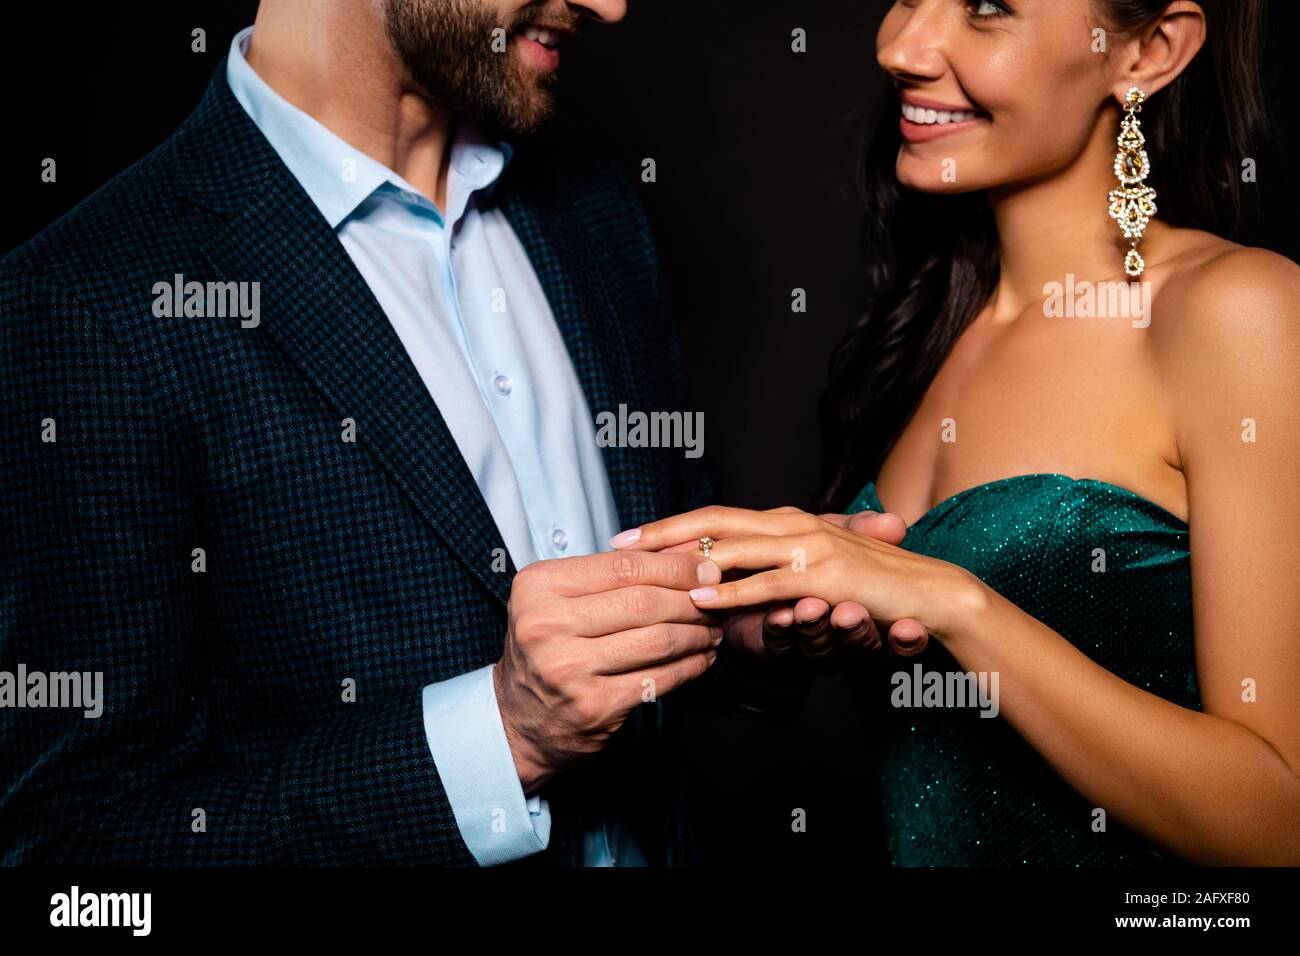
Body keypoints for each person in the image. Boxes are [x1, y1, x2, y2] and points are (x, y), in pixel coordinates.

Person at [0, 0, 907, 867]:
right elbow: (73, 866)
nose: (610, 6)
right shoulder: (83, 306)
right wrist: (503, 740)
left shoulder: (594, 214)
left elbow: (631, 632)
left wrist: (734, 629)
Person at [615, 0, 1300, 865]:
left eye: (985, 9)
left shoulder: (1240, 312)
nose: (900, 47)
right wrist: (765, 619)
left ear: (1148, 52)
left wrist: (954, 602)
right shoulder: (926, 330)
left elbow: (1283, 815)